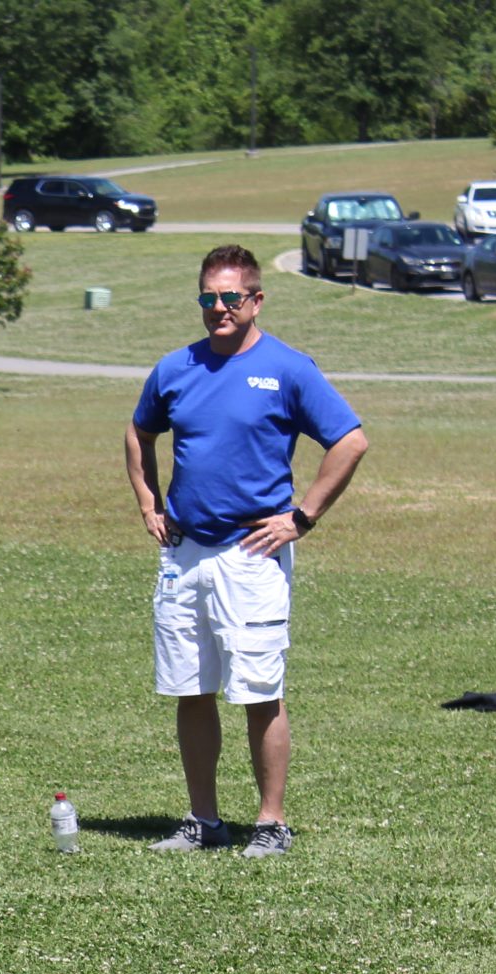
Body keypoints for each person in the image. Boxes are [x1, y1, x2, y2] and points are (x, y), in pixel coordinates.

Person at [124, 244, 368, 857]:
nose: (219, 309)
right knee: (192, 687)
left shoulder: (288, 368)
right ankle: (203, 820)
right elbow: (139, 430)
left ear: (257, 299)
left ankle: (271, 822)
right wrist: (148, 502)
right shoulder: (175, 368)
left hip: (251, 556)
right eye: (208, 298)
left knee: (260, 690)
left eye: (232, 298)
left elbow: (351, 441)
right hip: (185, 555)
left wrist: (302, 517)